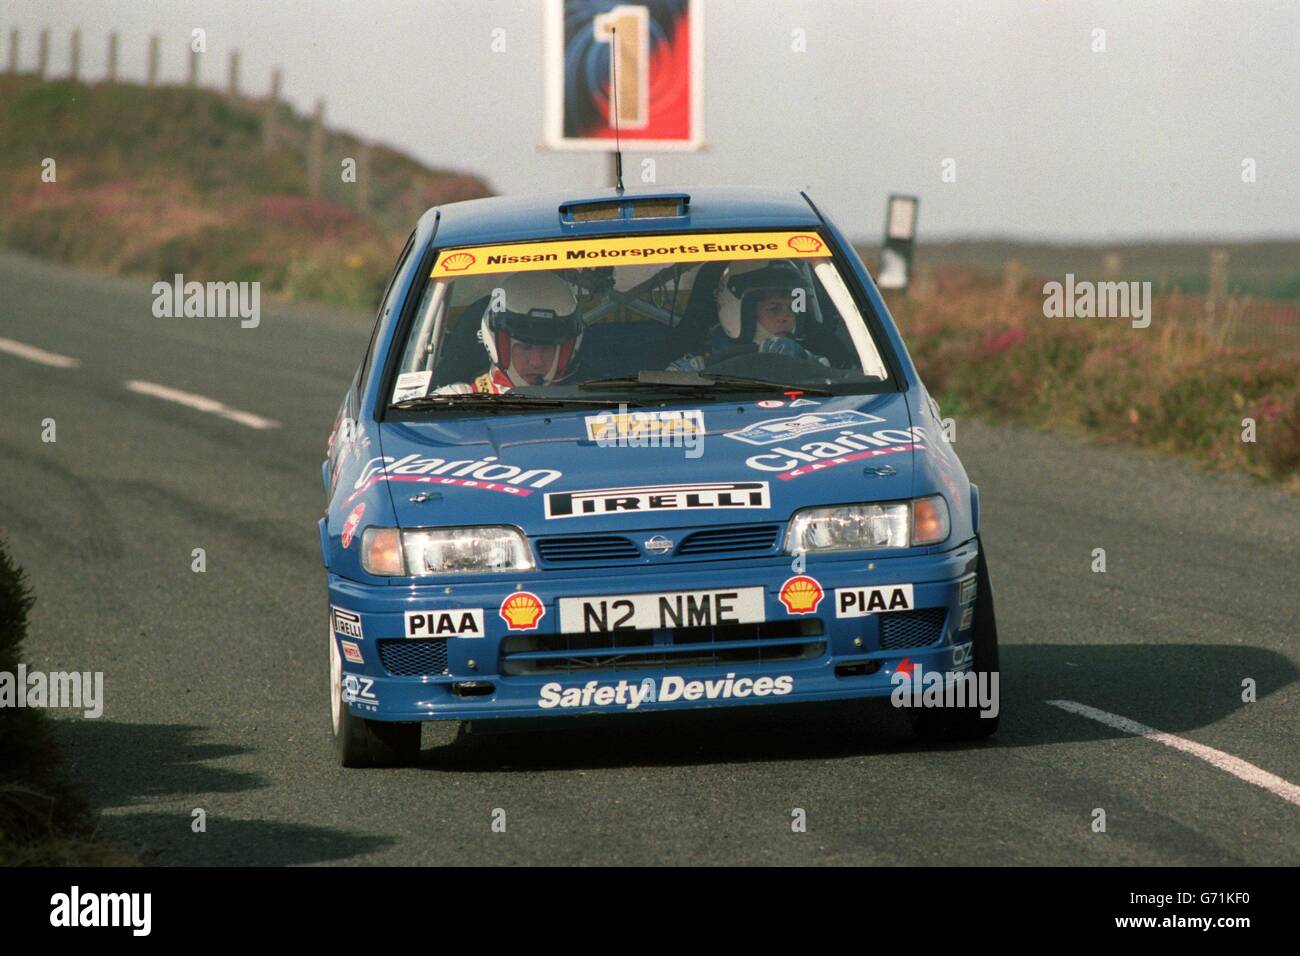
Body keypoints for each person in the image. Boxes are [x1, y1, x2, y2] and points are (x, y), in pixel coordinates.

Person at [667, 259, 828, 371]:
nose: (787, 317)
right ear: (740, 310)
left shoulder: (803, 356)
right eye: (774, 308)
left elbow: (829, 378)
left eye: (792, 308)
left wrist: (805, 359)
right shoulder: (700, 361)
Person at [436, 272, 584, 394]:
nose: (537, 362)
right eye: (525, 347)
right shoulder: (455, 403)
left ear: (564, 351)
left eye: (546, 348)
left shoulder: (590, 403)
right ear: (499, 344)